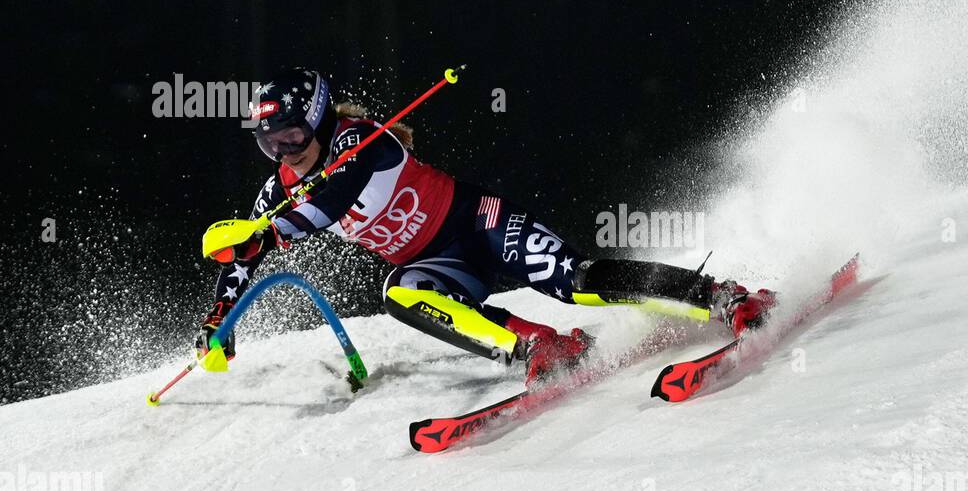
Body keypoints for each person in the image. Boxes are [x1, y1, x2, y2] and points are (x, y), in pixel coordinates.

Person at [197, 68, 775, 385]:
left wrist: (267, 234)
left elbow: (333, 199)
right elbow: (241, 254)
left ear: (319, 121)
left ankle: (723, 298)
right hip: (437, 262)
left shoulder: (357, 140)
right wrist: (219, 321)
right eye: (269, 144)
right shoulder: (279, 189)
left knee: (575, 280)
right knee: (401, 292)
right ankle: (539, 346)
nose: (284, 152)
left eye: (292, 137)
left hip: (478, 225)